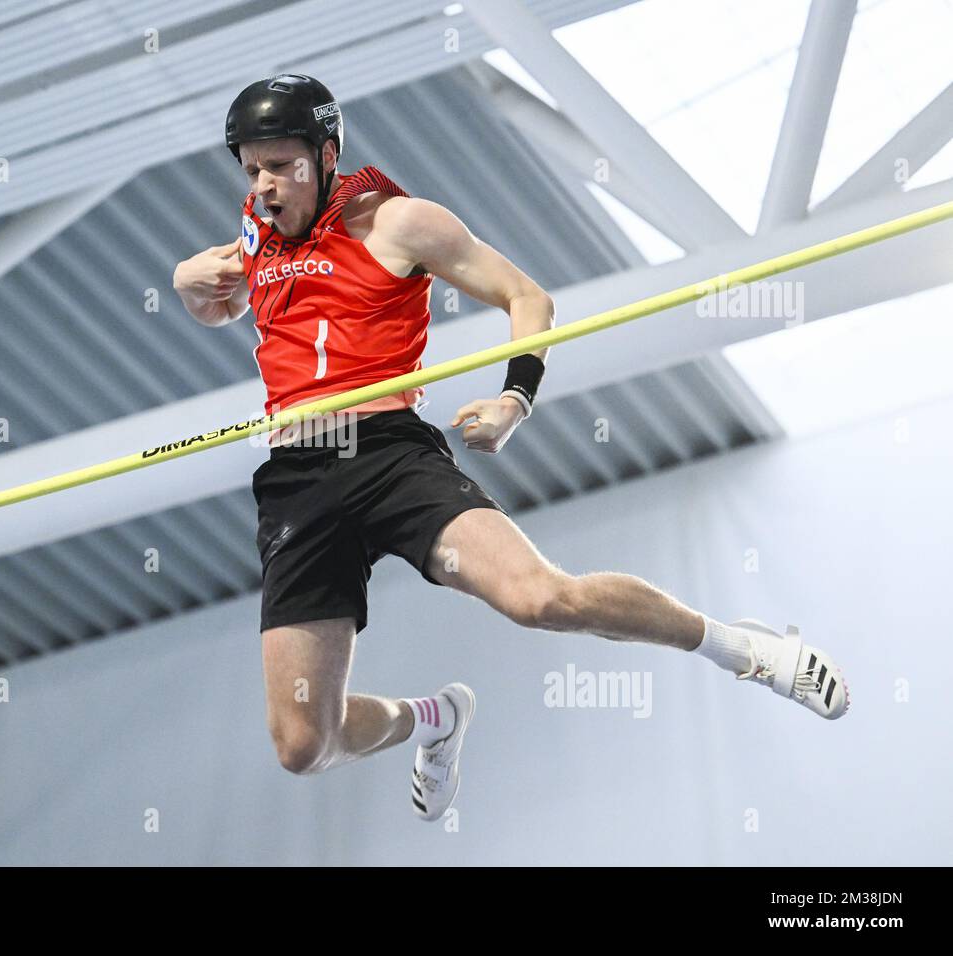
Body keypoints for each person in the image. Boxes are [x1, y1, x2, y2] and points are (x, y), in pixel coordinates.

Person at [173, 74, 848, 822]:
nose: (266, 185)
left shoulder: (401, 223)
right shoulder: (253, 236)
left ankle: (738, 647)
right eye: (252, 169)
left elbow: (529, 299)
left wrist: (513, 400)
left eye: (282, 166)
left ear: (327, 155)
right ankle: (436, 719)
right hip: (296, 481)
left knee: (543, 599)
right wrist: (189, 283)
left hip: (388, 456)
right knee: (303, 744)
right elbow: (227, 303)